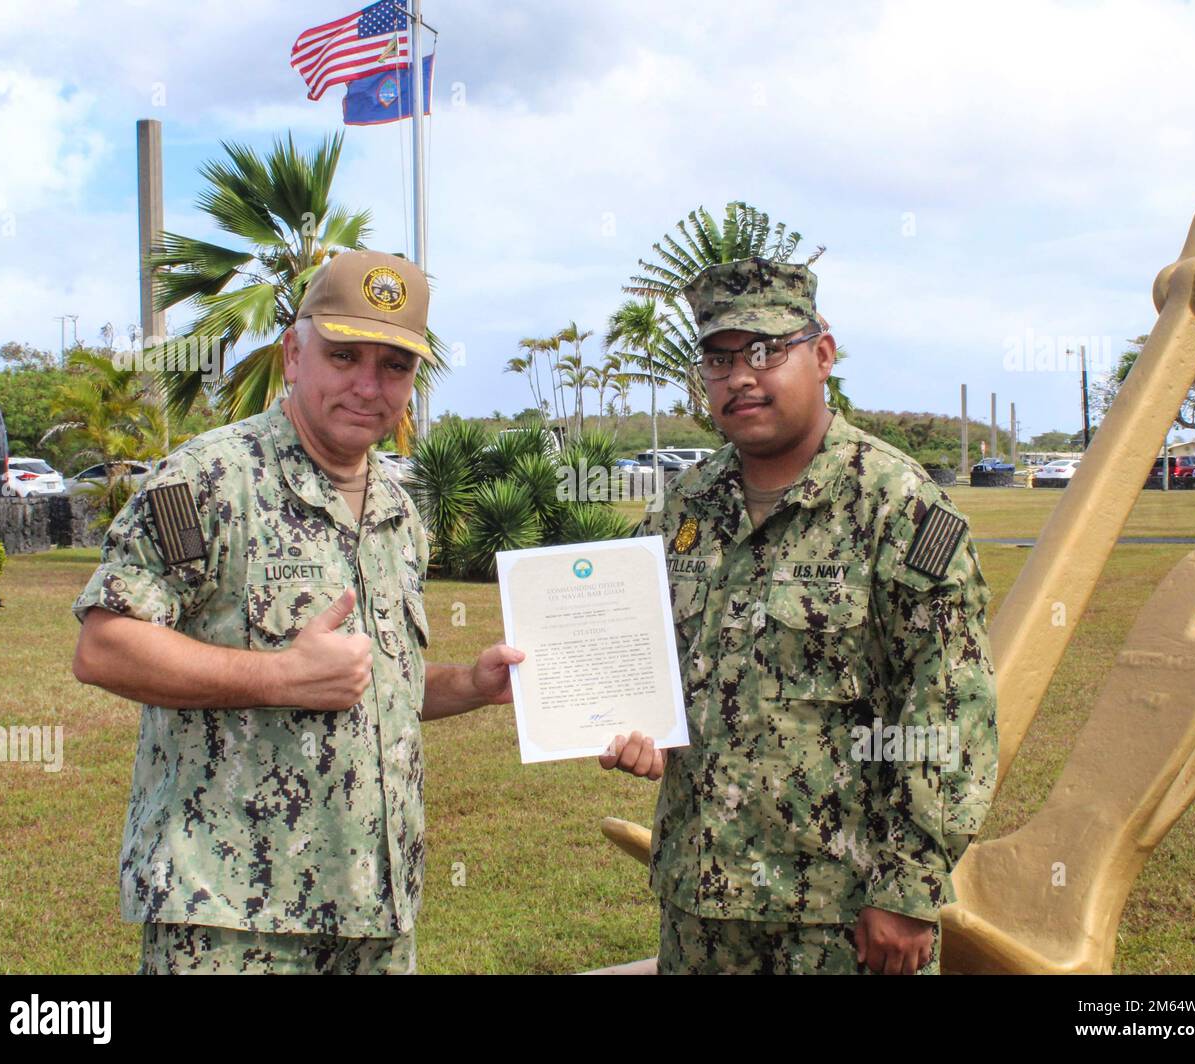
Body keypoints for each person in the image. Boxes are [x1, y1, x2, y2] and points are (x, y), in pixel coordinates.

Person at [71, 250, 523, 975]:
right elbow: (105, 646)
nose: (369, 386)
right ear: (293, 353)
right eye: (344, 356)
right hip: (232, 920)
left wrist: (471, 683)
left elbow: (368, 685)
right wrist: (279, 676)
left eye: (395, 367)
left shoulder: (399, 511)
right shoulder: (209, 479)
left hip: (375, 910)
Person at [600, 257, 997, 975]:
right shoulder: (686, 508)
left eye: (765, 351)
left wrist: (907, 889)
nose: (741, 377)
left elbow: (948, 705)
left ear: (822, 355)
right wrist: (633, 725)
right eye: (719, 359)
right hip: (700, 903)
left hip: (842, 915)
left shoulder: (897, 507)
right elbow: (631, 648)